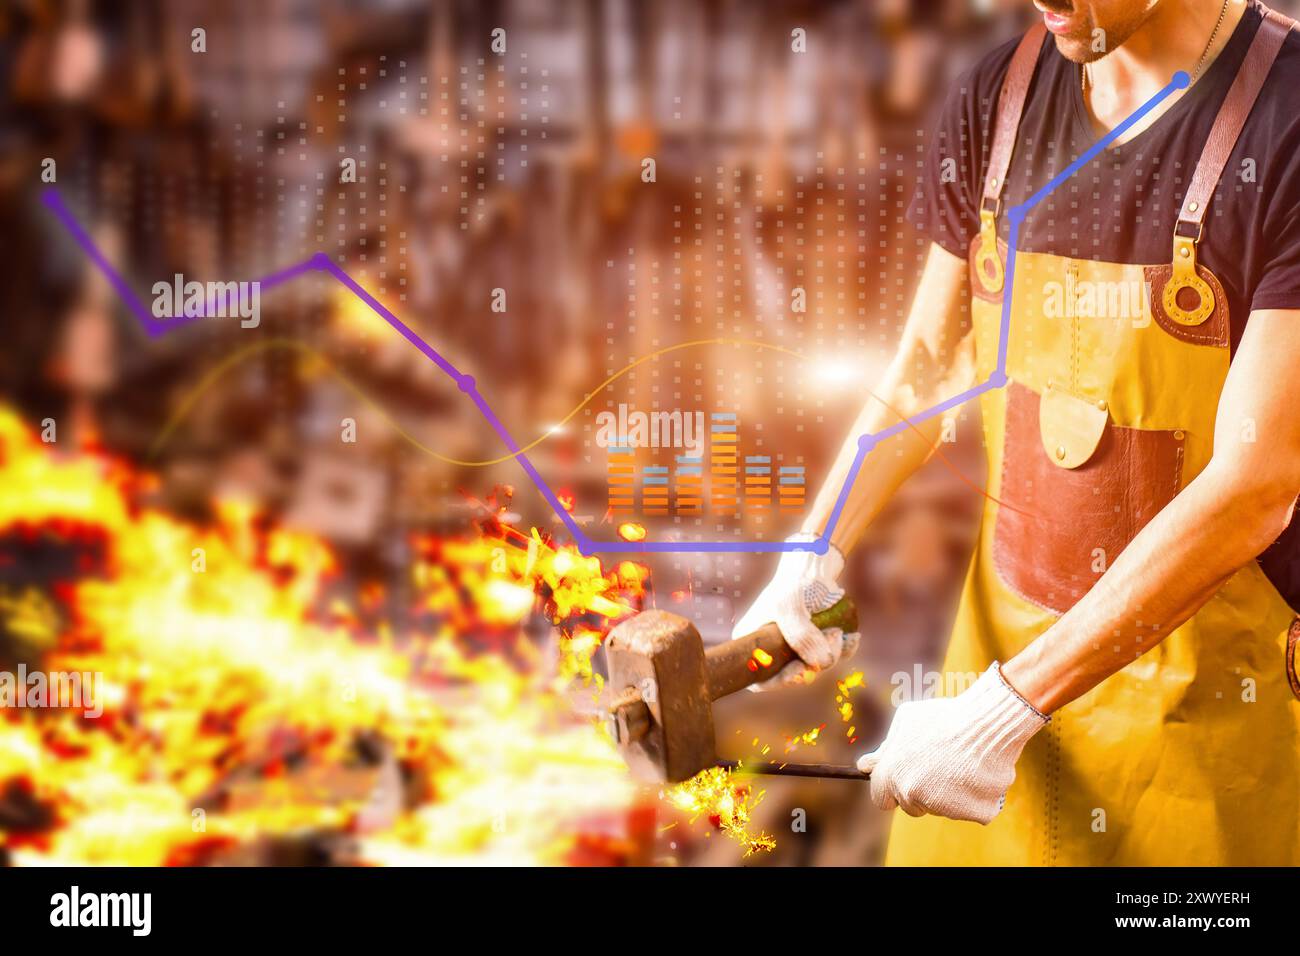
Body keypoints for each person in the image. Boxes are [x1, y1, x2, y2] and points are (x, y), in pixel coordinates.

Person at [733, 0, 1300, 865]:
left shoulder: (1288, 118)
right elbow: (928, 357)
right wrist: (814, 550)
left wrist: (1007, 709)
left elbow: (1257, 480)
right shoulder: (998, 102)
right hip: (984, 714)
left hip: (1206, 732)